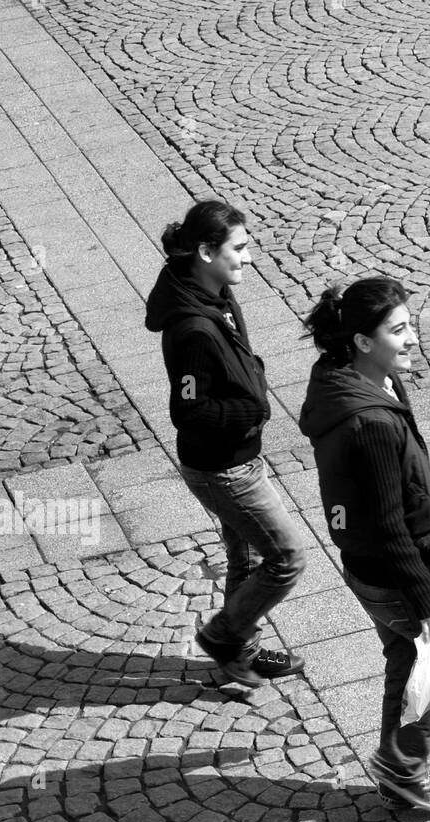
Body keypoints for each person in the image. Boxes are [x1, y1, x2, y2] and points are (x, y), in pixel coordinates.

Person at [298, 277, 430, 814]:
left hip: (378, 565)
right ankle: (403, 765)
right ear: (361, 340)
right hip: (394, 570)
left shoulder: (355, 379)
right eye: (398, 329)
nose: (412, 338)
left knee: (404, 659)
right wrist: (427, 597)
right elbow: (386, 525)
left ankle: (403, 771)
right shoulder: (371, 420)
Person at [145, 199, 305, 687]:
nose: (249, 257)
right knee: (287, 558)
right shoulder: (192, 327)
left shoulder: (214, 296)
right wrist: (251, 409)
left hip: (238, 457)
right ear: (206, 252)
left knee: (250, 558)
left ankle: (243, 651)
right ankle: (223, 635)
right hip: (223, 469)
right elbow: (188, 410)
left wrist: (250, 376)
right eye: (239, 248)